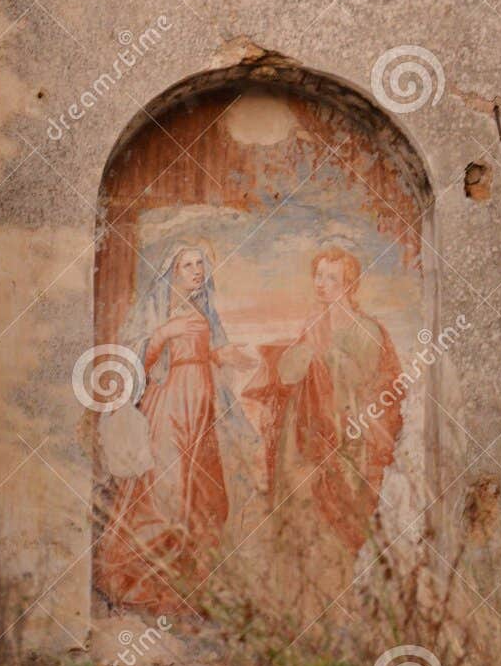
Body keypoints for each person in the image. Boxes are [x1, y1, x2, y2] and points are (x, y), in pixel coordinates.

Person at [94, 244, 251, 614]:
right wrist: (162, 334)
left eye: (200, 264)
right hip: (168, 407)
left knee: (201, 494)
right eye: (188, 265)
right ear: (173, 272)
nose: (197, 271)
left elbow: (209, 351)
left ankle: (184, 587)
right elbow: (137, 362)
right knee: (166, 493)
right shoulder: (157, 310)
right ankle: (141, 582)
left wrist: (229, 355)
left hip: (200, 407)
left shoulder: (202, 309)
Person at [261, 247, 404, 619]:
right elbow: (288, 375)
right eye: (319, 276)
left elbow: (372, 385)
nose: (322, 285)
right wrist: (303, 355)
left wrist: (326, 363)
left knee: (338, 520)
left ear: (349, 284)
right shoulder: (313, 325)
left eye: (332, 278)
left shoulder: (367, 329)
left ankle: (338, 605)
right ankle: (301, 607)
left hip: (348, 436)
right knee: (302, 510)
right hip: (305, 435)